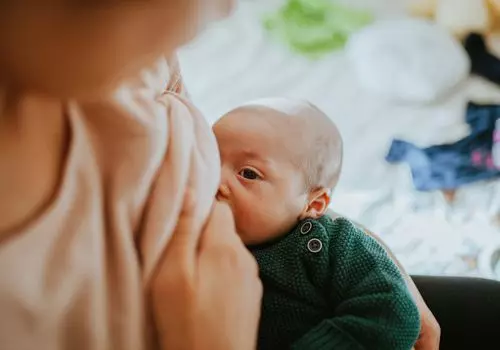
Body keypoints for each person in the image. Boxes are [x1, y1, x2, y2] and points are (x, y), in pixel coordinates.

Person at [0, 1, 441, 350]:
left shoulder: (139, 58)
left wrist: (376, 262)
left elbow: (380, 300)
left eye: (247, 172)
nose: (227, 10)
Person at [213, 98, 421, 349]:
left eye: (248, 174)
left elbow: (391, 311)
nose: (213, 181)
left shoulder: (336, 245)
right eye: (208, 162)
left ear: (313, 204)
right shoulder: (190, 235)